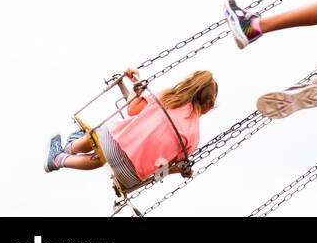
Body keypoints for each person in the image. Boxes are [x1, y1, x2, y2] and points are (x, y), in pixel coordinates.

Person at [44, 69, 218, 191]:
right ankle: (59, 159)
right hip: (130, 176)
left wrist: (136, 85)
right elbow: (163, 170)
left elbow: (132, 109)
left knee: (99, 139)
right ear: (209, 107)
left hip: (113, 144)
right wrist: (180, 171)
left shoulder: (169, 97)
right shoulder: (194, 137)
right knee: (100, 158)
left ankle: (66, 149)